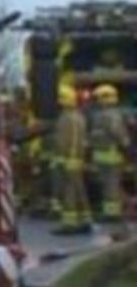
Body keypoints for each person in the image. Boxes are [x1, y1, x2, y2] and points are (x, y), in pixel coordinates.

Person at [54, 85, 93, 235]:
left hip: (68, 161)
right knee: (79, 191)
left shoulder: (65, 118)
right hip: (77, 159)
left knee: (69, 192)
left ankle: (69, 225)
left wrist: (59, 159)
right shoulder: (79, 117)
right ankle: (86, 220)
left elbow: (63, 141)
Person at [90, 84, 132, 222]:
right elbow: (118, 134)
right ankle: (111, 213)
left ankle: (111, 213)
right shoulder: (108, 115)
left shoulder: (104, 116)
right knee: (109, 185)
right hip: (107, 155)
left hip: (105, 155)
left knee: (108, 185)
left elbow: (116, 134)